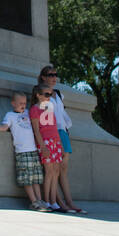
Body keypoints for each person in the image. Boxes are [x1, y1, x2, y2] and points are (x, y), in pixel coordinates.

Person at [38, 64, 85, 213]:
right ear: (43, 77)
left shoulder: (58, 94)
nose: (54, 78)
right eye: (50, 75)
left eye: (55, 75)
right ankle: (57, 202)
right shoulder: (41, 93)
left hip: (63, 131)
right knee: (54, 168)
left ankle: (69, 201)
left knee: (63, 168)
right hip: (51, 132)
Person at [0, 91, 45, 210]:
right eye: (20, 103)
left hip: (33, 150)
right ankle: (34, 202)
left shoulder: (28, 113)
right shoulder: (10, 116)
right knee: (27, 179)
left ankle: (40, 200)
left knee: (36, 178)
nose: (23, 105)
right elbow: (5, 127)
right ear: (13, 103)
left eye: (25, 103)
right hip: (22, 151)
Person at [29, 84, 65, 212]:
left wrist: (59, 142)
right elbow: (37, 130)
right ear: (38, 95)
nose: (49, 97)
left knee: (56, 171)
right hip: (45, 142)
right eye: (46, 94)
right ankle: (47, 200)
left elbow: (54, 126)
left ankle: (54, 201)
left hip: (55, 140)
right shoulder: (34, 109)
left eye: (50, 94)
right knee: (49, 171)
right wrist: (42, 146)